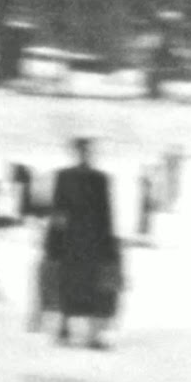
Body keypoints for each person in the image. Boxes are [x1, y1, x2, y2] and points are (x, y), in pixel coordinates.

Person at [50, 138, 122, 350]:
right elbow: (58, 212)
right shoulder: (67, 177)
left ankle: (90, 334)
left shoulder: (99, 179)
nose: (85, 155)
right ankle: (65, 329)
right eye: (83, 151)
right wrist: (54, 241)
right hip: (75, 241)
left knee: (90, 287)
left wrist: (109, 245)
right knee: (72, 285)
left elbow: (107, 213)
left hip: (90, 241)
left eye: (88, 151)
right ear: (77, 152)